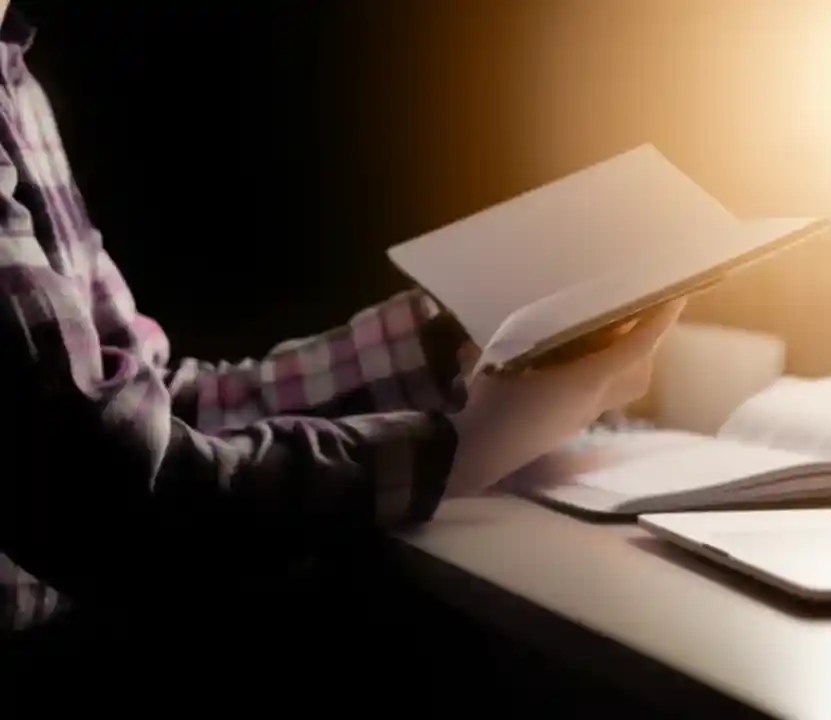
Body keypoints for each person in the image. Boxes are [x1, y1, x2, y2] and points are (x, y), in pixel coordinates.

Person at [0, 1, 683, 675]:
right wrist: (464, 447)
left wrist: (452, 344)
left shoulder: (11, 71)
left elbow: (160, 414)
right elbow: (115, 503)